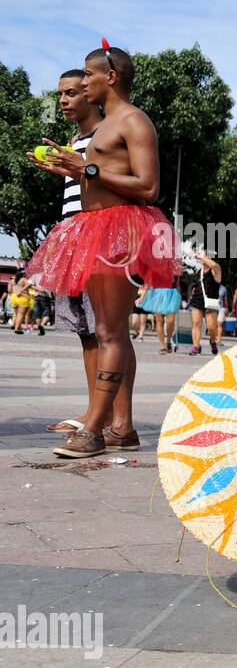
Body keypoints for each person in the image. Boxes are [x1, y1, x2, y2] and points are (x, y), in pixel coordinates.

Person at [24, 43, 180, 458]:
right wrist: (75, 170)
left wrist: (86, 169)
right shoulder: (109, 126)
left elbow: (149, 188)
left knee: (108, 332)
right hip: (96, 230)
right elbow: (104, 178)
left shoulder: (134, 121)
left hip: (120, 232)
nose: (83, 82)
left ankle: (93, 430)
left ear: (109, 78)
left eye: (89, 77)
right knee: (104, 332)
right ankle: (120, 429)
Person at [45, 69, 107, 435]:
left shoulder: (106, 135)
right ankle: (92, 411)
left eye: (70, 93)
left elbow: (109, 183)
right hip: (70, 236)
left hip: (96, 237)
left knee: (104, 329)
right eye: (60, 95)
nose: (64, 101)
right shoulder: (74, 140)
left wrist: (82, 169)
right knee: (84, 329)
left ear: (89, 94)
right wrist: (64, 171)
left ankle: (110, 417)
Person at [140, 275, 181, 353]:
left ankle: (168, 341)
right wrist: (143, 296)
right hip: (158, 295)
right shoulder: (155, 268)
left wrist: (179, 297)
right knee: (159, 321)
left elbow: (177, 285)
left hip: (172, 295)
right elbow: (148, 283)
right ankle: (162, 346)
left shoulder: (175, 269)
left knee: (170, 321)